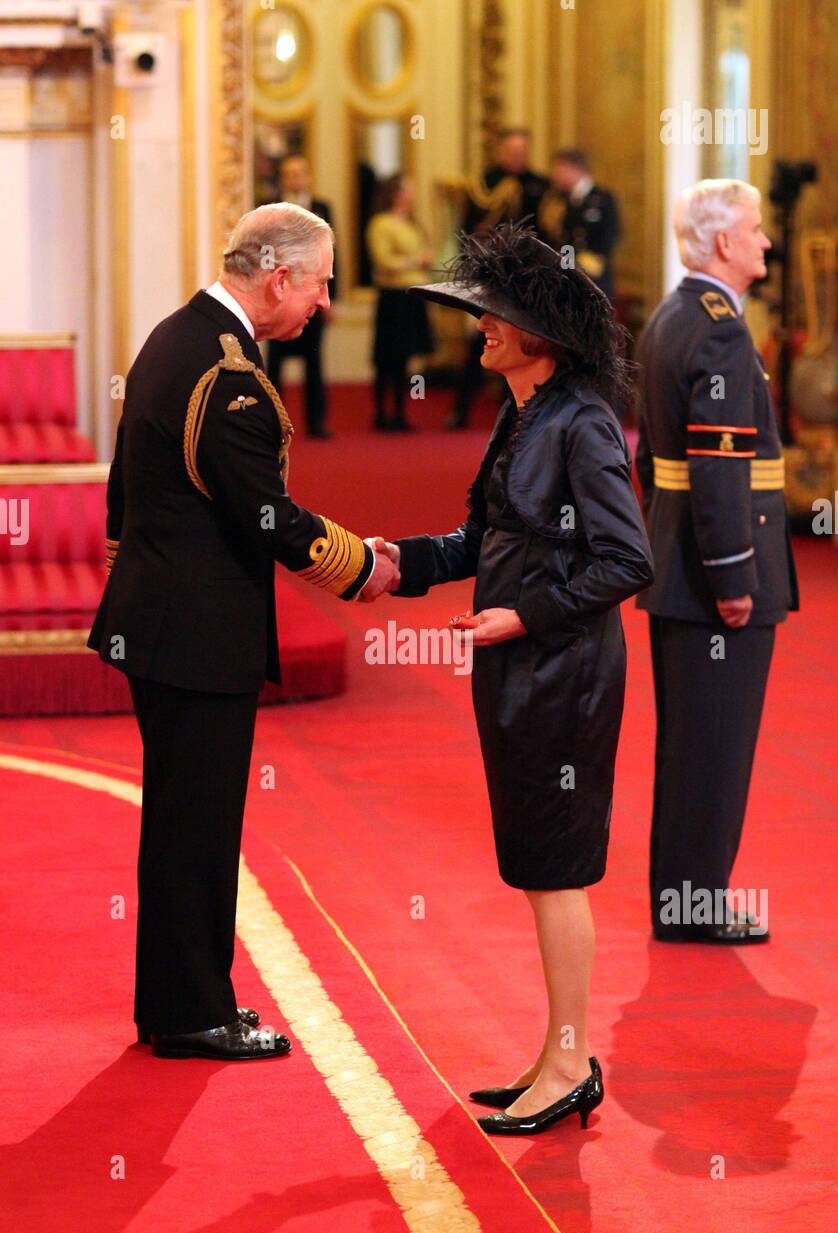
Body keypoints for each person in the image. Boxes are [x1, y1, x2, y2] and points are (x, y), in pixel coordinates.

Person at [87, 203, 400, 1060]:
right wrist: (358, 566)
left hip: (161, 623)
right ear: (279, 279)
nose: (326, 302)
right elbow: (266, 513)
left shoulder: (174, 335)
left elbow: (124, 491)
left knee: (182, 825)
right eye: (322, 283)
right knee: (198, 829)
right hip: (195, 636)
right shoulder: (224, 373)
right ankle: (193, 1014)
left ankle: (178, 1004)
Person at [374, 223, 653, 1135]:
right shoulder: (520, 411)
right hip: (516, 663)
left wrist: (524, 615)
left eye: (495, 318)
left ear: (541, 336)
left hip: (565, 669)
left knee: (557, 867)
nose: (480, 329)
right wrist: (392, 563)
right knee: (539, 863)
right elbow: (476, 539)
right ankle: (555, 1054)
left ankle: (570, 1062)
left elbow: (628, 561)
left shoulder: (584, 426)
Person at [635, 179, 799, 945]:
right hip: (716, 572)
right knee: (716, 744)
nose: (767, 241)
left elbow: (653, 460)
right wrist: (736, 575)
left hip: (676, 559)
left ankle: (681, 897)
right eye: (757, 230)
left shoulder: (671, 317)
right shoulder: (721, 331)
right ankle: (695, 904)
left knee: (690, 741)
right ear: (725, 244)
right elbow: (721, 466)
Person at [449, 129, 550, 429]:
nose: (517, 156)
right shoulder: (483, 184)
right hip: (489, 277)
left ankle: (517, 412)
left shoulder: (540, 186)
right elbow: (467, 234)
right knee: (478, 344)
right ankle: (461, 410)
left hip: (524, 279)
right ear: (501, 152)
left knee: (520, 346)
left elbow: (546, 235)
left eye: (522, 151)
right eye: (512, 151)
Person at [266, 154, 335, 438]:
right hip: (279, 297)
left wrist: (332, 296)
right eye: (289, 173)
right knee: (275, 365)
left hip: (312, 296)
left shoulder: (322, 208)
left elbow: (333, 255)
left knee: (315, 363)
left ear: (307, 176)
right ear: (282, 178)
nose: (295, 178)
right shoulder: (269, 211)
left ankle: (316, 423)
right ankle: (272, 425)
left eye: (300, 172)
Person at [366, 173, 435, 432]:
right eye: (409, 190)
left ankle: (400, 411)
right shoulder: (381, 223)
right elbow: (383, 260)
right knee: (387, 357)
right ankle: (381, 413)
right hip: (392, 297)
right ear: (396, 194)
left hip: (412, 295)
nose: (413, 196)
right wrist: (416, 260)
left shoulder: (413, 223)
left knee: (405, 358)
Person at [540, 148, 621, 302]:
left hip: (594, 278)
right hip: (569, 274)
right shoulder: (561, 199)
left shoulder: (602, 199)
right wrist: (566, 267)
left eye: (560, 170)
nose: (555, 175)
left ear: (576, 169)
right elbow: (563, 241)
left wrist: (586, 261)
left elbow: (612, 235)